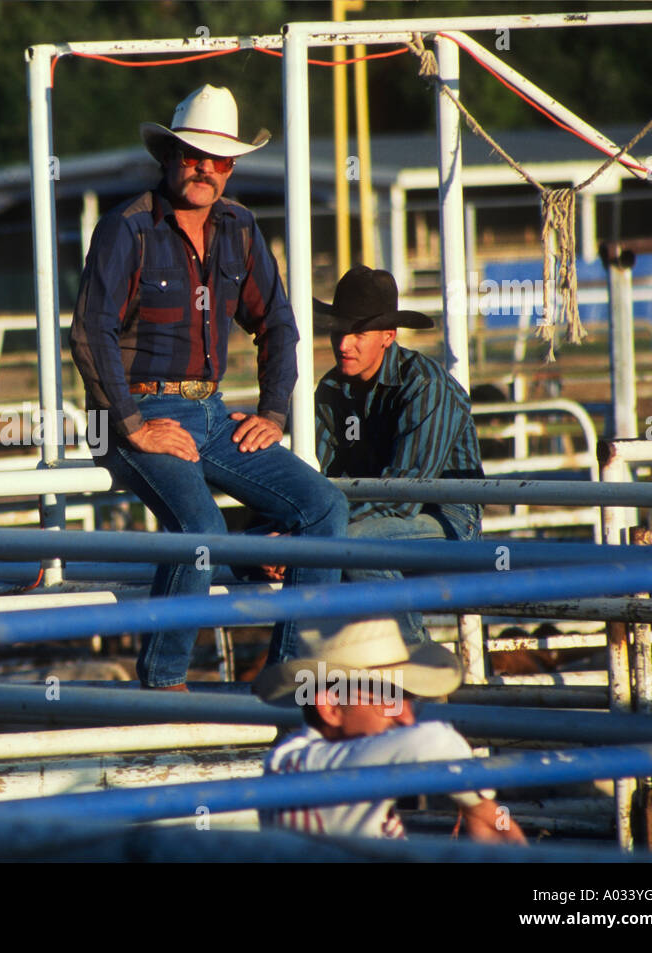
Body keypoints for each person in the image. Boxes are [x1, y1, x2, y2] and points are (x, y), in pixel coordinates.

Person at [70, 85, 348, 690]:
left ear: (231, 168)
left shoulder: (239, 229)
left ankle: (292, 675)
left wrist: (273, 411)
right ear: (168, 157)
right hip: (137, 410)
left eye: (217, 159)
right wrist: (134, 426)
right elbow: (92, 330)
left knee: (324, 506)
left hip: (211, 410)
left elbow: (277, 322)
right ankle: (164, 683)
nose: (203, 168)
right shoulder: (128, 228)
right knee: (200, 529)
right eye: (192, 155)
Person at [312, 266, 485, 651]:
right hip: (374, 514)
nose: (343, 344)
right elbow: (316, 475)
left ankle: (414, 658)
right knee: (261, 551)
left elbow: (405, 494)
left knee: (352, 544)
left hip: (449, 519)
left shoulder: (425, 384)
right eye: (338, 330)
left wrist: (319, 528)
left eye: (358, 333)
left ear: (388, 336)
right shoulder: (331, 388)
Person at [253, 617, 526, 844]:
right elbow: (432, 741)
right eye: (388, 700)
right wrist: (480, 807)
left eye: (407, 701)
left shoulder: (308, 766)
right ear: (331, 707)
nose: (407, 719)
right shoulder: (302, 769)